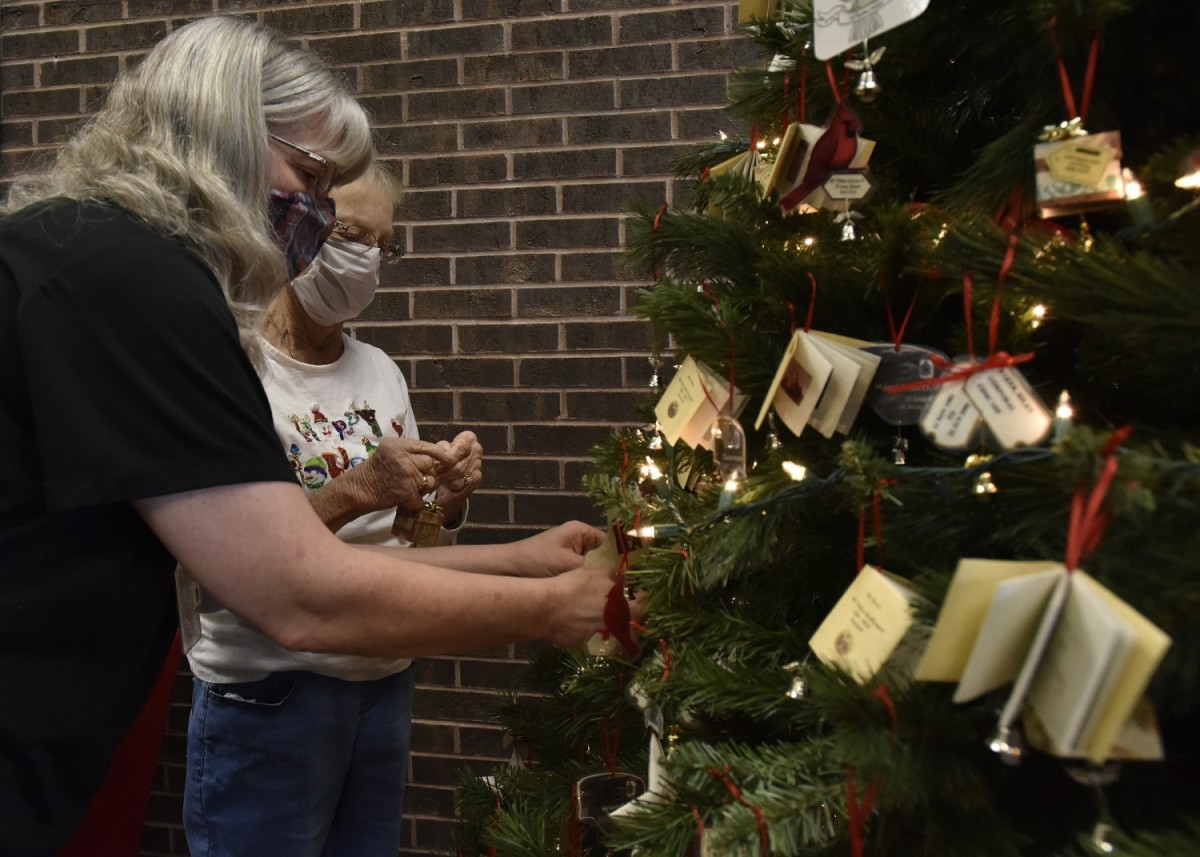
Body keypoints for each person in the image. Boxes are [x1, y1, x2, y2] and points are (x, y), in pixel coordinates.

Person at [0, 16, 621, 856]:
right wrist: (552, 608)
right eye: (310, 176)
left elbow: (278, 554)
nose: (318, 215)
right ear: (226, 130)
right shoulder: (138, 278)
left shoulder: (82, 246)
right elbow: (297, 590)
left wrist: (519, 558)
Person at [178, 162, 482, 855]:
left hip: (382, 681)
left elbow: (416, 547)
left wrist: (446, 499)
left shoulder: (379, 369)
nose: (366, 259)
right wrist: (356, 488)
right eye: (350, 234)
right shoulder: (234, 365)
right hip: (274, 690)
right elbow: (222, 562)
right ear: (295, 228)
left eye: (383, 245)